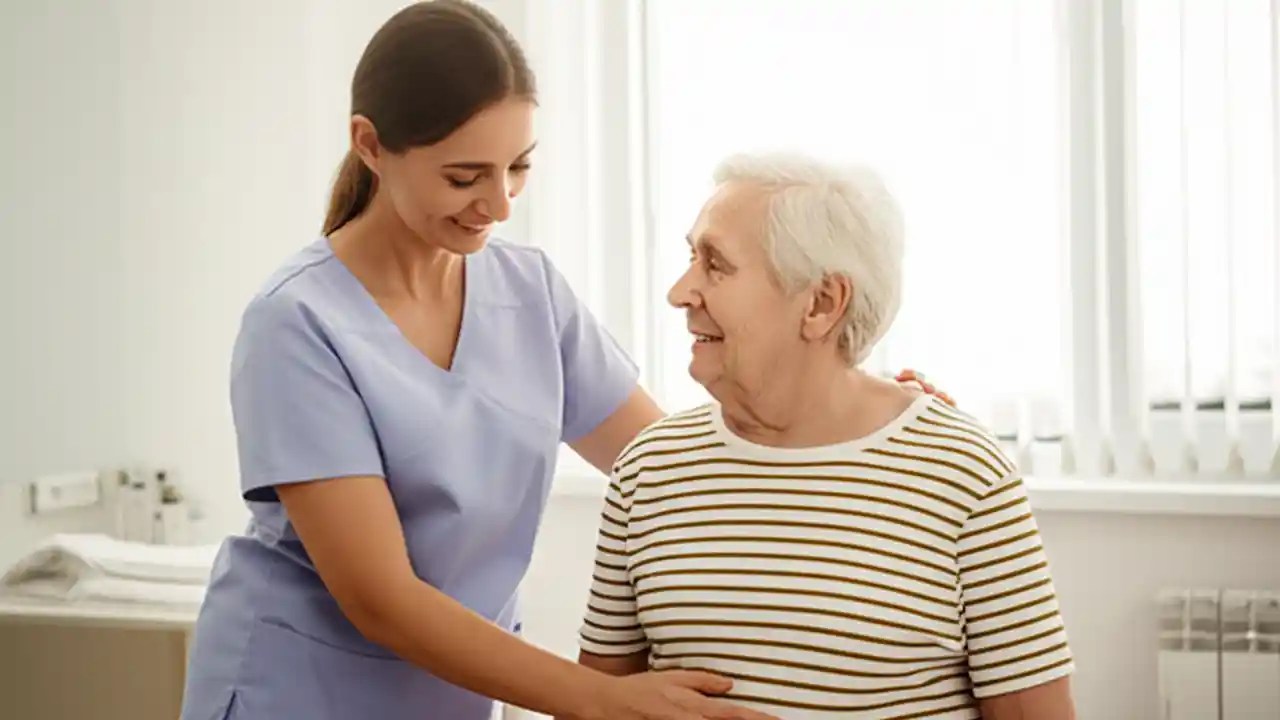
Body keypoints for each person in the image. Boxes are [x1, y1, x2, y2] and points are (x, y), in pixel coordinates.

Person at [179, 3, 940, 719]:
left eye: (518, 167)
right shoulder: (297, 324)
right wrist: (601, 700)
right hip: (296, 691)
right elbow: (378, 597)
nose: (501, 203)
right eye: (464, 176)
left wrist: (858, 423)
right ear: (371, 146)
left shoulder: (529, 292)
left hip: (450, 698)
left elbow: (673, 470)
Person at [574, 153, 1077, 719]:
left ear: (820, 303)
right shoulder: (650, 466)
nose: (680, 291)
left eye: (715, 264)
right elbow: (593, 704)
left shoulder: (962, 470)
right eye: (691, 257)